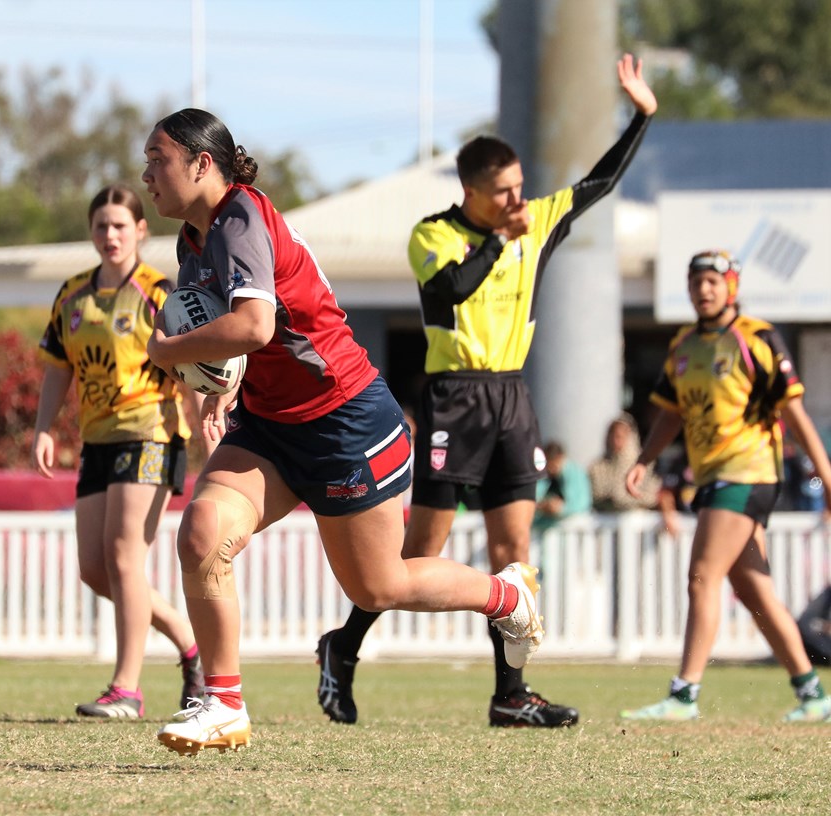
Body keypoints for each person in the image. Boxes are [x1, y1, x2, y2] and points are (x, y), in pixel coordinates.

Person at [141, 108, 545, 755]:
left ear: (201, 163)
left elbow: (253, 326)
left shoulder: (241, 216)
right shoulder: (195, 241)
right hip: (270, 426)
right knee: (202, 533)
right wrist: (212, 389)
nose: (146, 174)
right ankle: (223, 704)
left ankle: (505, 594)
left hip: (346, 419)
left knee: (378, 586)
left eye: (157, 159)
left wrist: (166, 352)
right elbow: (224, 352)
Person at [316, 54, 657, 729]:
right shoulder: (433, 235)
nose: (516, 202)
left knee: (513, 555)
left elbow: (600, 181)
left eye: (519, 189)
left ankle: (511, 692)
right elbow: (450, 292)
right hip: (454, 399)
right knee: (418, 557)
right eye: (502, 192)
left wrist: (640, 114)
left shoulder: (531, 225)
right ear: (472, 191)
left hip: (512, 400)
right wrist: (498, 241)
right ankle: (343, 647)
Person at [620, 249, 831, 723]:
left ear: (731, 286)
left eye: (714, 280)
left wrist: (828, 473)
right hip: (714, 478)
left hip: (749, 472)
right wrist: (645, 459)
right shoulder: (683, 345)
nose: (704, 289)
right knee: (754, 590)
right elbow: (671, 413)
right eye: (696, 282)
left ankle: (683, 696)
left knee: (701, 577)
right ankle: (813, 694)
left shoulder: (756, 338)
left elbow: (794, 414)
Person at [34, 184, 205, 719]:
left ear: (140, 232)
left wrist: (206, 427)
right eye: (101, 225)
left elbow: (195, 364)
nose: (110, 234)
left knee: (126, 556)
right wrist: (44, 428)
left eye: (120, 225)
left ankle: (126, 689)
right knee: (96, 569)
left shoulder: (160, 293)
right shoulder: (73, 295)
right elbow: (58, 367)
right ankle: (188, 642)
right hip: (98, 439)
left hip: (152, 430)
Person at [588, 413, 661, 513]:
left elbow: (653, 495)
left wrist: (626, 500)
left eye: (619, 437)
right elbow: (592, 495)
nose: (615, 441)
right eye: (612, 436)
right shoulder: (597, 467)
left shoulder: (643, 465)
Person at [533, 441, 592, 535]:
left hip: (572, 531)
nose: (551, 469)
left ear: (561, 458)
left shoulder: (575, 474)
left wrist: (561, 509)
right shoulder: (543, 475)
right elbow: (535, 498)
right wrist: (542, 506)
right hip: (544, 530)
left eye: (554, 465)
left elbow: (581, 504)